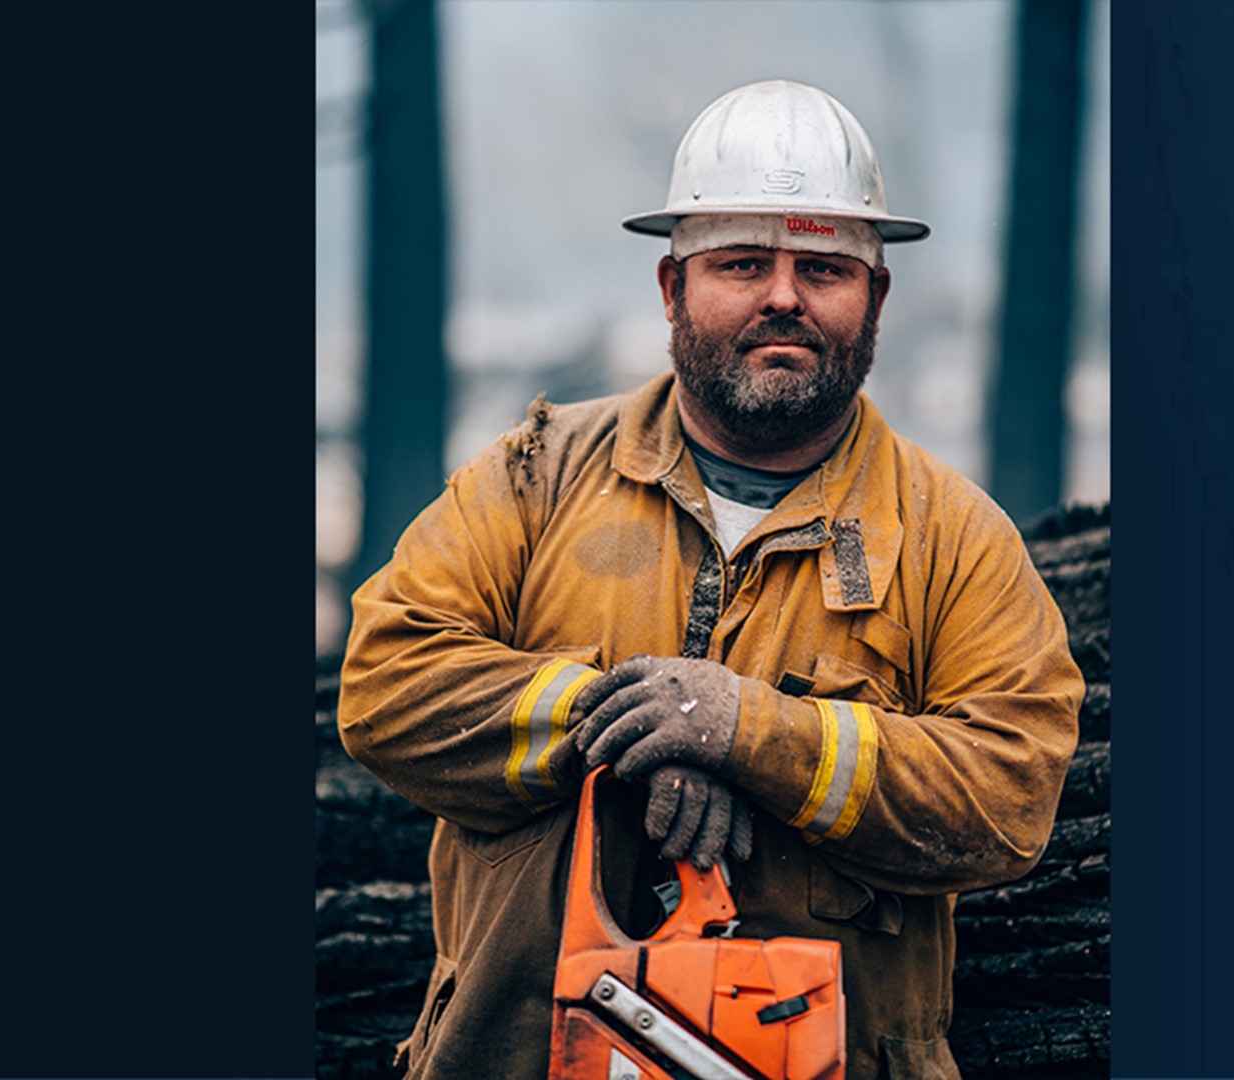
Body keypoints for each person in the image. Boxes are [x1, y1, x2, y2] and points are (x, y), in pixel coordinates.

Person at [339, 79, 1082, 1080]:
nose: (784, 296)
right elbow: (385, 681)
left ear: (875, 298)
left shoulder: (953, 538)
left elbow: (1009, 792)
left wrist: (750, 734)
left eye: (823, 267)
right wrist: (637, 730)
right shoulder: (534, 477)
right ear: (672, 286)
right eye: (742, 262)